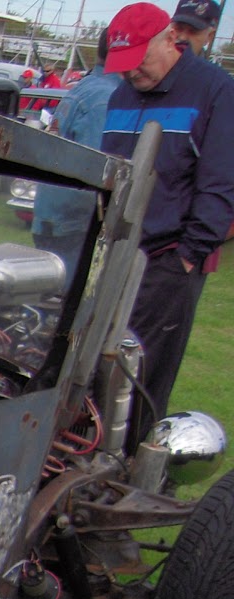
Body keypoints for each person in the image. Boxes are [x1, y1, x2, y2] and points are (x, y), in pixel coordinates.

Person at [100, 2, 234, 443]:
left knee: (141, 372)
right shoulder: (121, 95)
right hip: (115, 252)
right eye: (122, 65)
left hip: (168, 259)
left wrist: (189, 257)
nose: (131, 73)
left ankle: (132, 464)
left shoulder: (214, 90)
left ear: (168, 38)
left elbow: (220, 181)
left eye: (138, 60)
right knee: (93, 359)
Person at [30, 32, 120, 281]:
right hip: (73, 223)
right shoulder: (106, 98)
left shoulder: (86, 86)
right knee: (68, 306)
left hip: (52, 214)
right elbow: (96, 171)